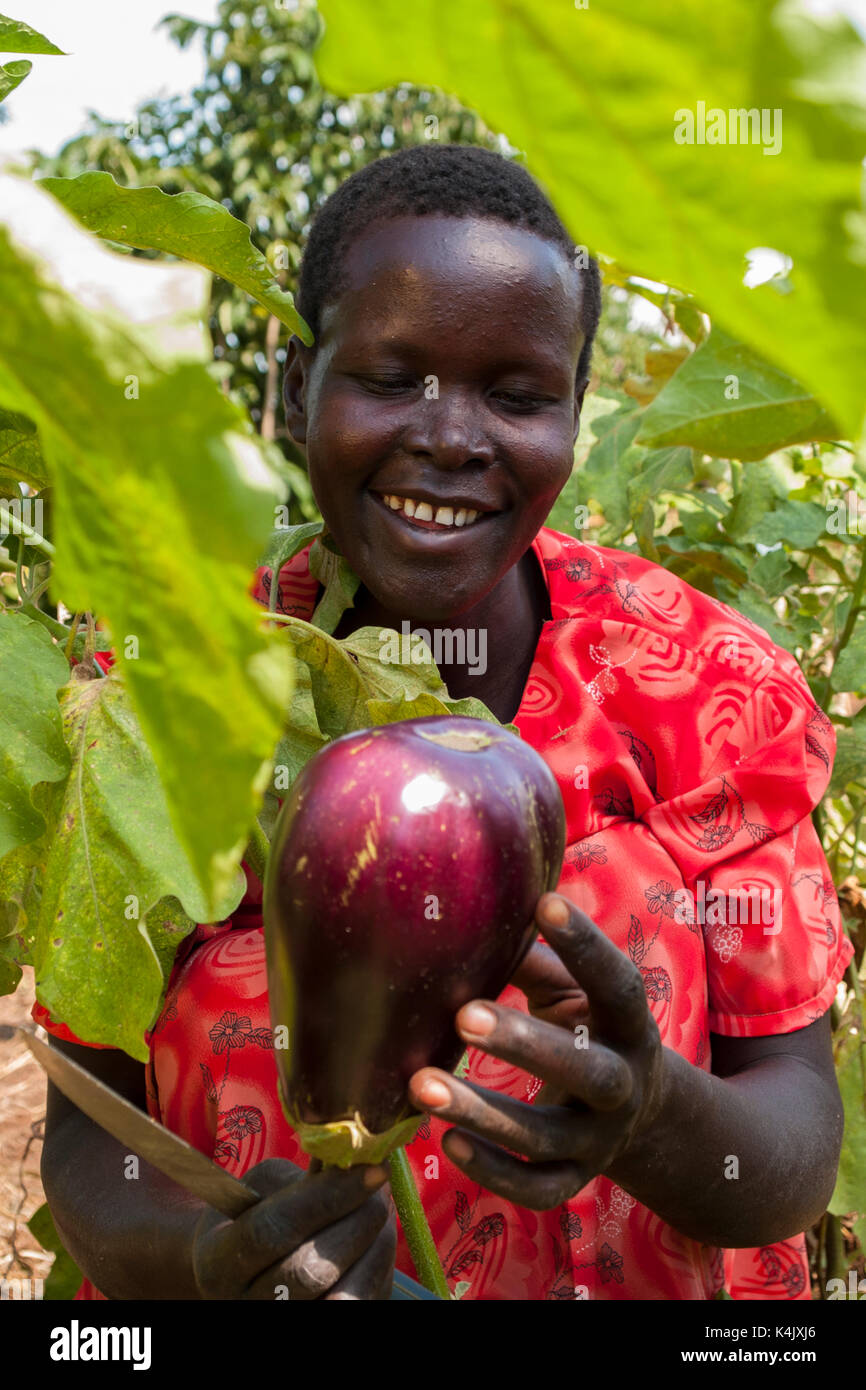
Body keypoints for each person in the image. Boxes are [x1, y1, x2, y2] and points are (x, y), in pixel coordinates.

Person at [39, 144, 852, 1301]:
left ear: (576, 410)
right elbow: (89, 1128)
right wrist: (208, 1261)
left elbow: (788, 1159)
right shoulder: (166, 693)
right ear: (303, 376)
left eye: (517, 396)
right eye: (390, 376)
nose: (452, 439)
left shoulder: (704, 684)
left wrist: (651, 1111)